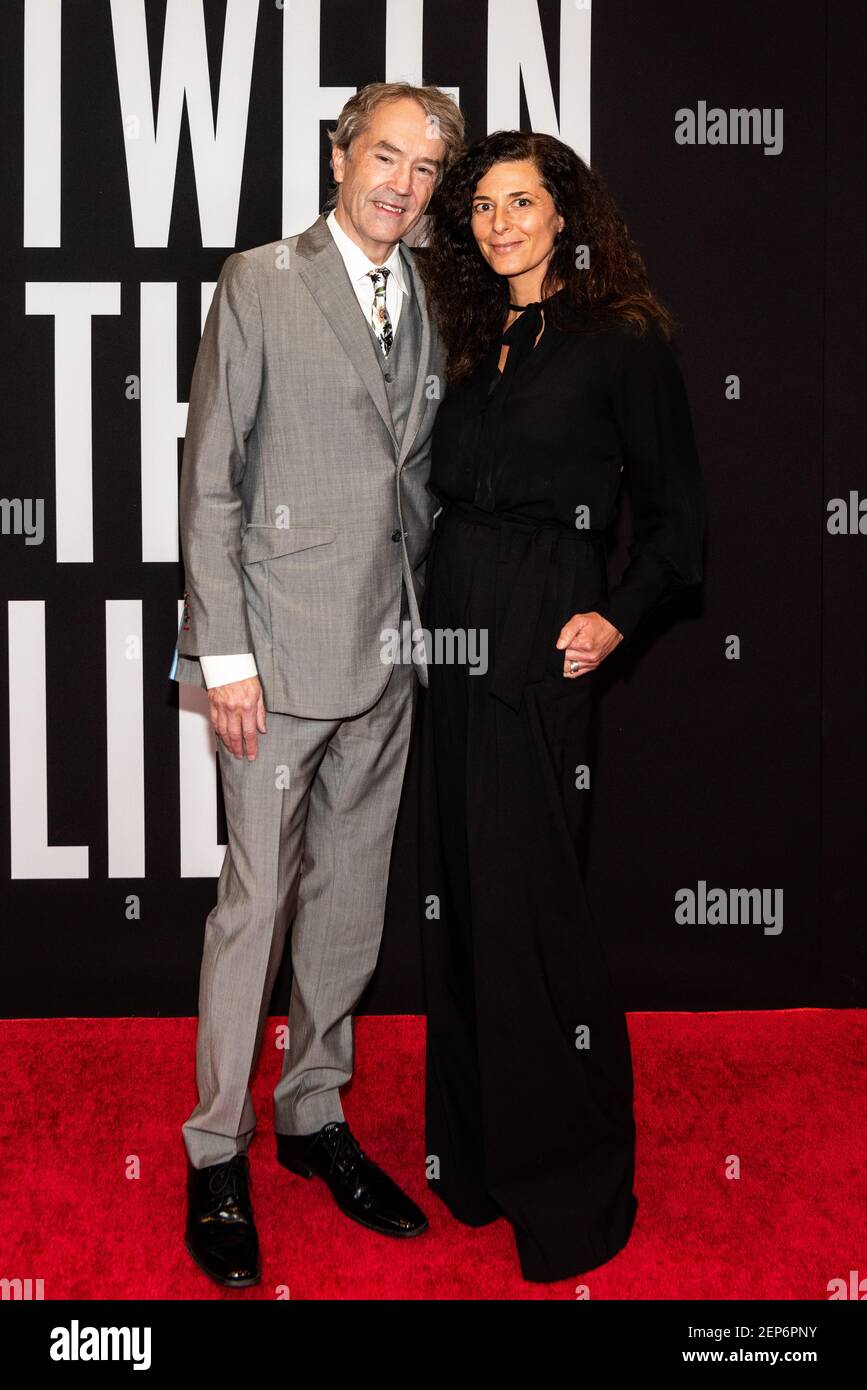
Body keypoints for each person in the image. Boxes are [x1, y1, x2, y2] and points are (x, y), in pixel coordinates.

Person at [170, 82, 465, 1288]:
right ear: (341, 155)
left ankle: (313, 1118)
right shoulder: (261, 280)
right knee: (257, 910)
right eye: (384, 154)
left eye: (426, 167)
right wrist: (225, 656)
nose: (402, 182)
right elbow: (211, 480)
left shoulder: (436, 294)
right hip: (276, 660)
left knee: (348, 904)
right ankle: (214, 1151)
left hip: (390, 653)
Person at [416, 130, 705, 1282]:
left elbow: (681, 525)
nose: (499, 222)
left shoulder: (620, 341)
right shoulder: (476, 339)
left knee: (533, 912)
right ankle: (477, 1161)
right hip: (451, 628)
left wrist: (614, 615)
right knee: (462, 901)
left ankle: (571, 1187)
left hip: (543, 630)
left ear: (566, 212)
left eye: (521, 201)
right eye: (482, 205)